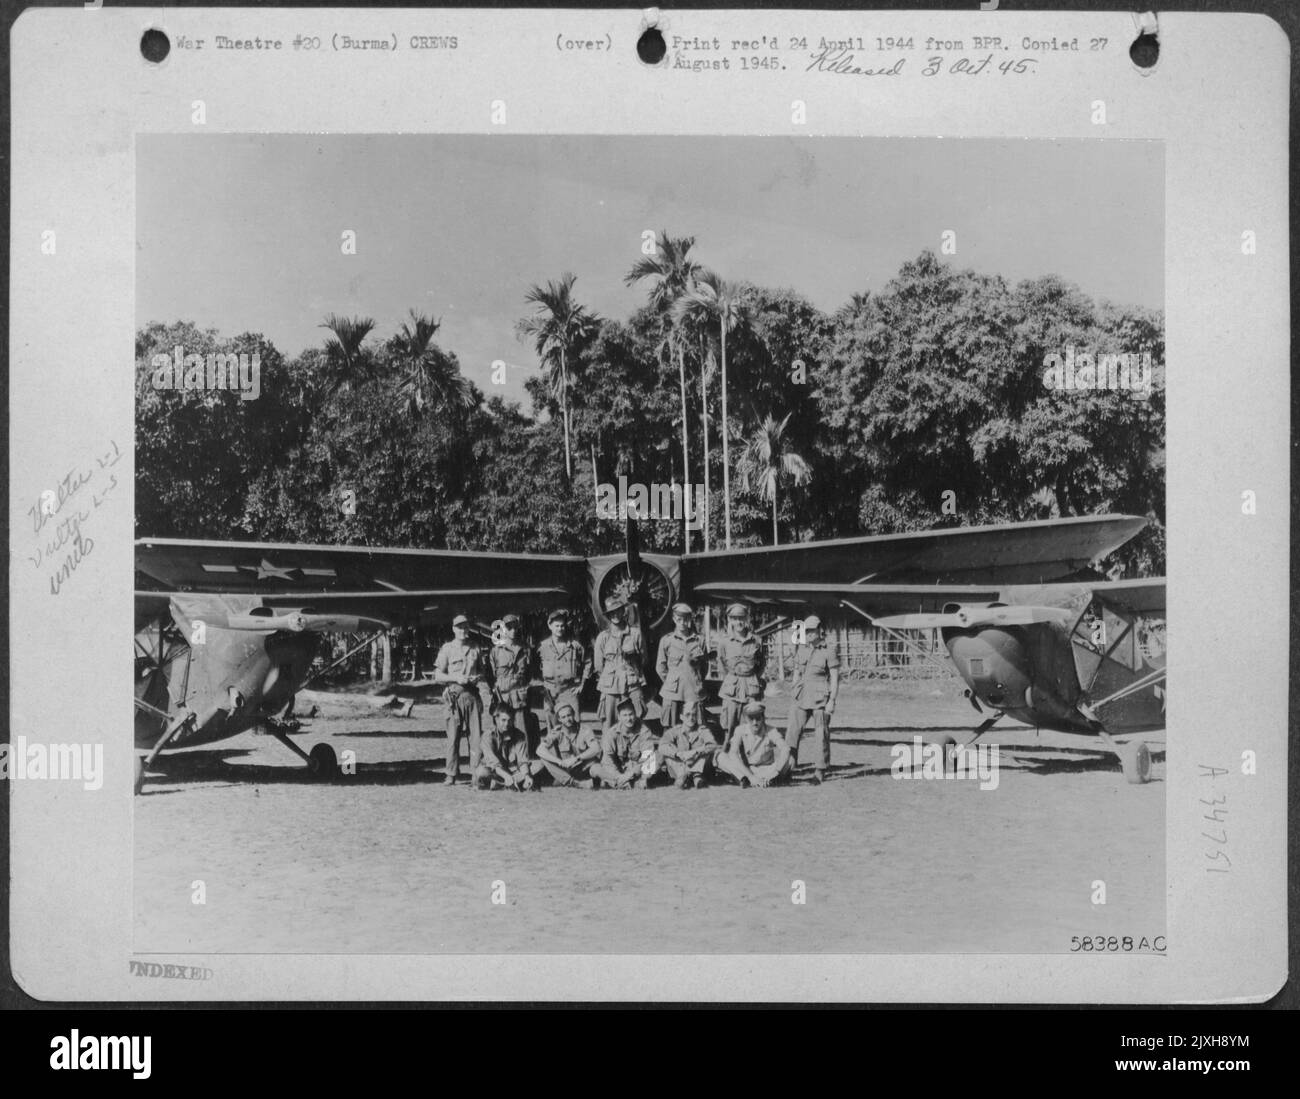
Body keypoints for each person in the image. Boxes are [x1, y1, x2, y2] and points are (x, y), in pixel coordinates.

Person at [433, 613, 489, 784]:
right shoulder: (447, 648)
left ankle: (475, 773)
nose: (463, 630)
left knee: (476, 737)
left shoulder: (475, 648)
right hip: (454, 697)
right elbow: (437, 676)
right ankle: (451, 773)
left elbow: (483, 673)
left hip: (472, 696)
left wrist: (477, 679)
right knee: (453, 737)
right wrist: (456, 678)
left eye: (466, 627)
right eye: (460, 627)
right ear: (453, 629)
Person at [786, 615, 840, 783]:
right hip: (802, 695)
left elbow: (835, 678)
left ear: (819, 630)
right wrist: (794, 686)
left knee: (821, 734)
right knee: (793, 731)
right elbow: (797, 670)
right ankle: (789, 764)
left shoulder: (829, 651)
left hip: (820, 696)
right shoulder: (802, 649)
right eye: (806, 631)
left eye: (812, 630)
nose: (809, 634)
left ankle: (820, 770)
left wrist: (832, 701)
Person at [489, 613, 538, 757]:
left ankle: (523, 761)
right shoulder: (495, 651)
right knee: (501, 729)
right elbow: (491, 675)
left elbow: (529, 673)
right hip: (502, 696)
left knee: (521, 730)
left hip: (519, 695)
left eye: (515, 627)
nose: (513, 631)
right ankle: (502, 760)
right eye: (509, 628)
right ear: (503, 630)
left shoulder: (525, 649)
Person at [716, 603, 766, 745]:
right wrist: (730, 679)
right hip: (732, 688)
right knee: (729, 725)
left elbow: (761, 663)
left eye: (742, 618)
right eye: (735, 618)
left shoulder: (756, 640)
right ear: (730, 620)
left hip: (751, 688)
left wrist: (754, 678)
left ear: (747, 619)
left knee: (753, 724)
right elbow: (721, 664)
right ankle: (728, 758)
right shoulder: (724, 642)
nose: (739, 622)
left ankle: (753, 759)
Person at [594, 599, 646, 727]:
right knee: (609, 722)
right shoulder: (603, 637)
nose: (615, 615)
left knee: (636, 720)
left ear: (623, 612)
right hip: (611, 686)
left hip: (632, 683)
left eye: (618, 611)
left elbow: (644, 659)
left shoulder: (635, 634)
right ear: (608, 615)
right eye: (612, 613)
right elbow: (598, 665)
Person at [590, 696, 662, 789]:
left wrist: (631, 773)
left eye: (631, 714)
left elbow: (648, 755)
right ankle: (633, 784)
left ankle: (617, 783)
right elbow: (608, 760)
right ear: (619, 717)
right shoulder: (611, 733)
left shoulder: (644, 731)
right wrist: (620, 777)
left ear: (635, 715)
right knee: (595, 768)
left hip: (637, 770)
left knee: (657, 756)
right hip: (617, 771)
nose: (629, 719)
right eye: (625, 715)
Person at [716, 701, 793, 787]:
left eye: (758, 718)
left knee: (790, 759)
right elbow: (733, 753)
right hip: (747, 769)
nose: (755, 722)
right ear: (746, 719)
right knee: (721, 757)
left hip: (767, 770)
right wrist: (751, 776)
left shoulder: (771, 730)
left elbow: (785, 748)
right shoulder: (740, 730)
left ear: (763, 718)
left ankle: (772, 779)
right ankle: (744, 779)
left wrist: (776, 772)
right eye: (751, 718)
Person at [538, 609, 591, 733]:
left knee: (574, 725)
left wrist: (582, 683)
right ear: (549, 625)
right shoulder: (542, 647)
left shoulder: (575, 646)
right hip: (550, 692)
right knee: (553, 729)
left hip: (569, 691)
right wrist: (542, 684)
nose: (560, 629)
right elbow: (533, 665)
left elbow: (588, 661)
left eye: (562, 626)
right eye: (556, 626)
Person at [655, 602, 707, 730]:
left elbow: (704, 666)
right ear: (674, 619)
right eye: (679, 619)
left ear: (689, 620)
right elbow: (660, 667)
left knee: (695, 726)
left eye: (685, 619)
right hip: (672, 691)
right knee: (672, 727)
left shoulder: (699, 641)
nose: (682, 623)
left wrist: (696, 679)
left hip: (692, 689)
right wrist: (670, 681)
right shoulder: (666, 640)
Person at [535, 702, 601, 787]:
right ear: (559, 719)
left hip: (584, 767)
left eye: (569, 715)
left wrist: (576, 759)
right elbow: (539, 750)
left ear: (574, 715)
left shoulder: (585, 729)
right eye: (563, 717)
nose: (567, 719)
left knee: (597, 767)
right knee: (544, 758)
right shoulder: (556, 732)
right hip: (567, 770)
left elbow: (596, 749)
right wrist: (558, 761)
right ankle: (575, 783)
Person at [474, 704, 540, 790]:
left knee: (539, 764)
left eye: (510, 720)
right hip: (496, 771)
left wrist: (527, 776)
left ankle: (507, 783)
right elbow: (493, 763)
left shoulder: (519, 735)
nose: (507, 724)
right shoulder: (487, 736)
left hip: (513, 770)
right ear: (496, 719)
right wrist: (507, 776)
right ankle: (505, 782)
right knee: (481, 771)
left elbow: (522, 761)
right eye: (503, 720)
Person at [658, 701, 719, 789]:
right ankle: (690, 776)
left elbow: (713, 745)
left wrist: (695, 752)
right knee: (666, 753)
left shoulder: (702, 730)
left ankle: (692, 776)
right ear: (681, 717)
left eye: (694, 715)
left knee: (706, 753)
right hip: (680, 766)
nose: (691, 718)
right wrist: (678, 754)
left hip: (699, 766)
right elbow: (662, 746)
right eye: (687, 715)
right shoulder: (675, 731)